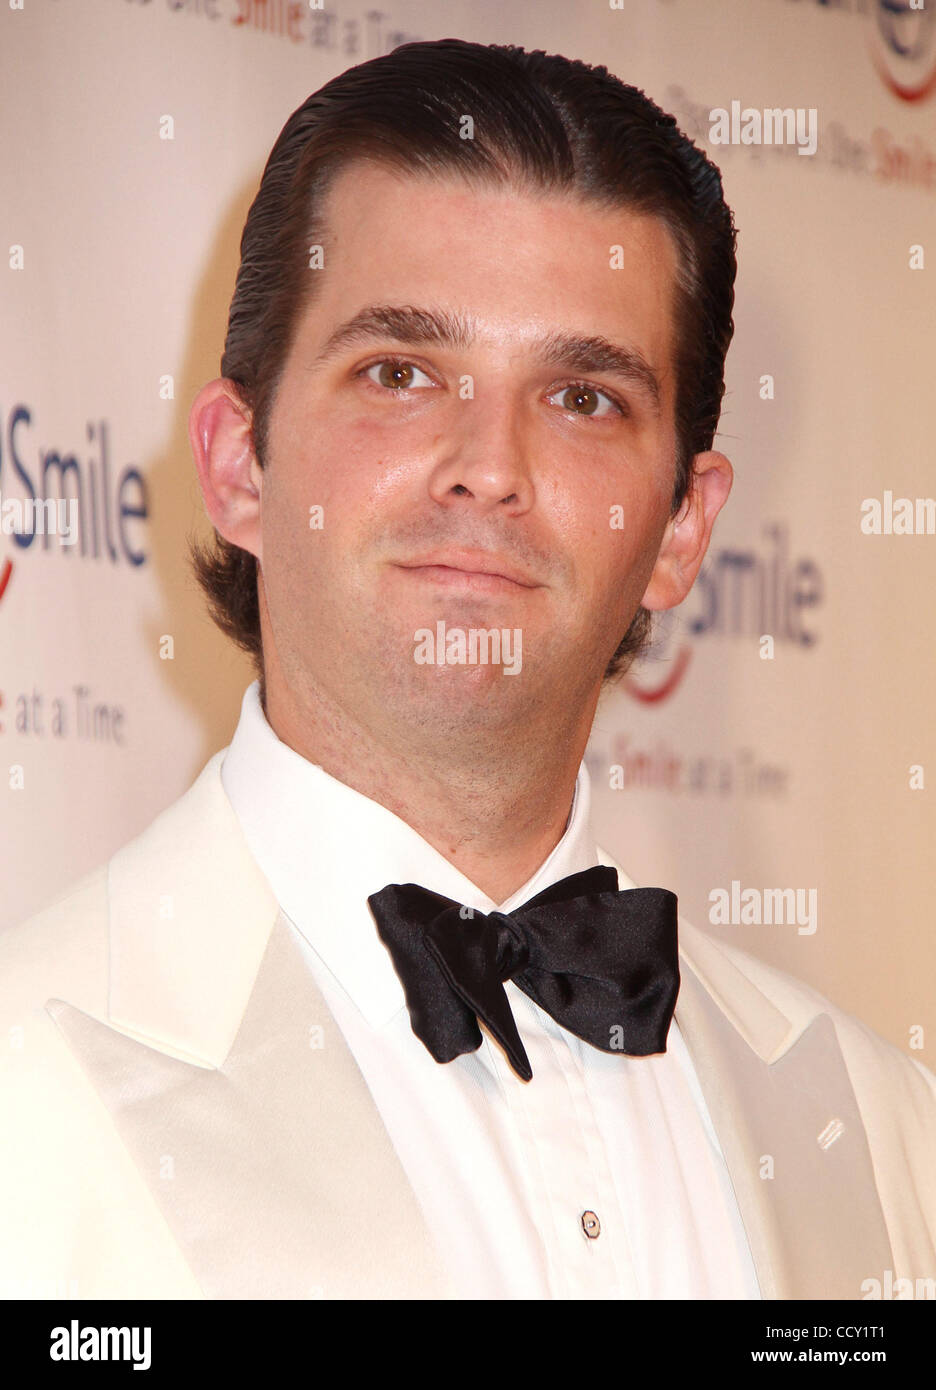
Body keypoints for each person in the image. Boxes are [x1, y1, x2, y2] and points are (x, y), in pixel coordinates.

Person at [2, 37, 933, 1303]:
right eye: (400, 373)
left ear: (679, 530)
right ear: (238, 466)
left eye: (584, 397)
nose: (489, 464)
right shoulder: (25, 1094)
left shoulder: (886, 1132)